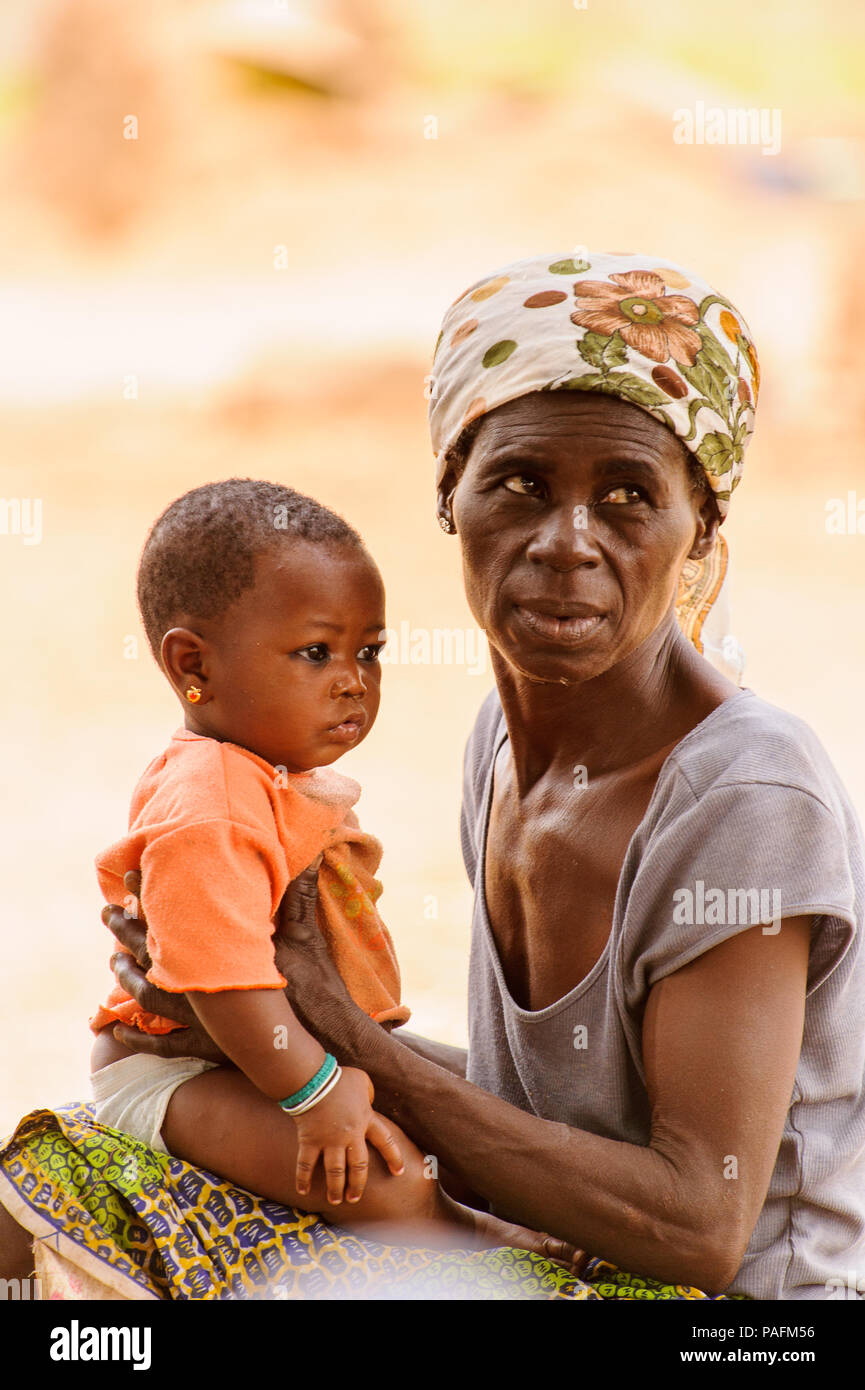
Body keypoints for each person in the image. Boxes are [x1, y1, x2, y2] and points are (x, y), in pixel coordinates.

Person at [3, 250, 862, 1301]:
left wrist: (353, 1040)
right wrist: (267, 1020)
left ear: (701, 528)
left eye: (630, 494)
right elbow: (541, 1113)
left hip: (733, 1312)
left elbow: (695, 1229)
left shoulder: (743, 798)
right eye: (520, 484)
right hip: (571, 1250)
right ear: (450, 494)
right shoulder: (501, 744)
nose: (566, 542)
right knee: (57, 1186)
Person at [87, 477, 571, 1260]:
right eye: (316, 653)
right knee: (384, 1176)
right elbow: (225, 984)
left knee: (453, 1129)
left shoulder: (267, 774)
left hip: (280, 1059)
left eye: (368, 652)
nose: (354, 680)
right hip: (178, 1078)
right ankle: (477, 1243)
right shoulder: (208, 804)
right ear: (192, 664)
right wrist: (316, 1093)